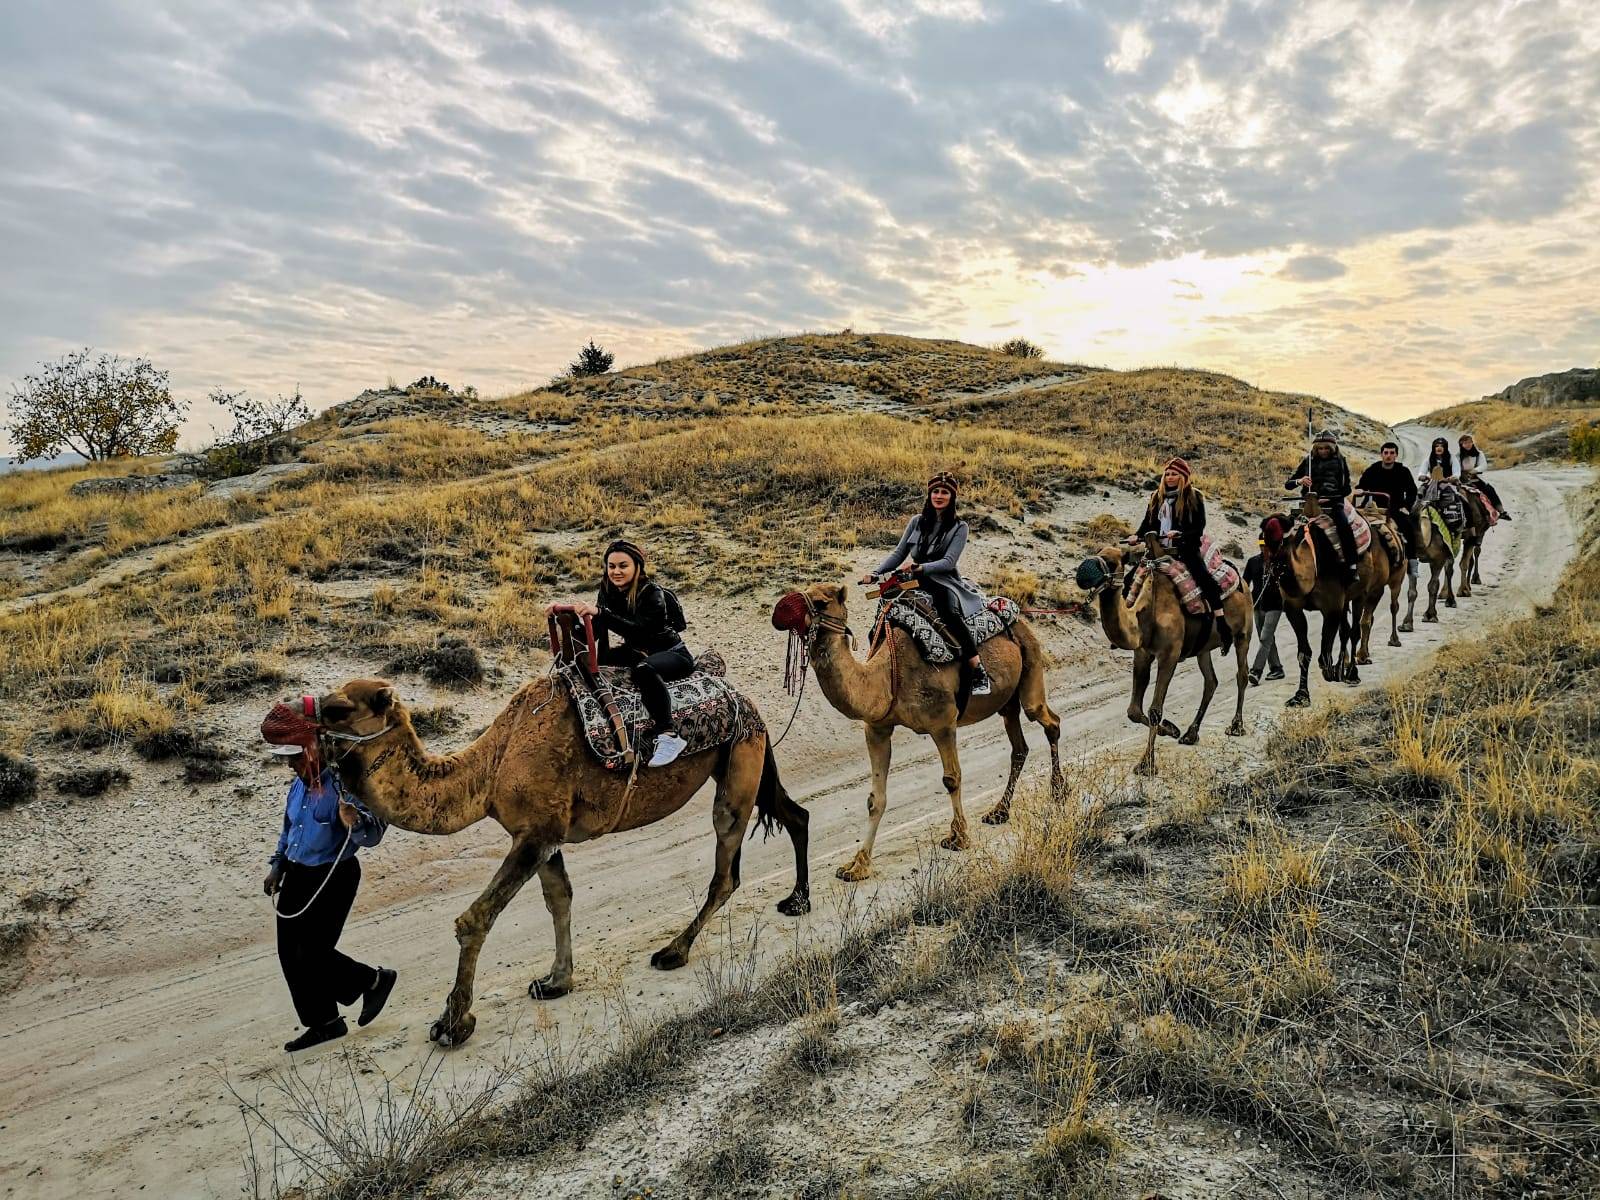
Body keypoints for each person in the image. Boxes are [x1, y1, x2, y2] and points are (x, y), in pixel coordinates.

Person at [264, 742, 395, 1053]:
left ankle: (373, 981)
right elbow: (289, 830)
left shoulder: (345, 786)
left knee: (312, 953)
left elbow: (373, 835)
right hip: (297, 875)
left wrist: (356, 820)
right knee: (289, 953)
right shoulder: (298, 787)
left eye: (295, 758)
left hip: (334, 876)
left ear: (314, 753)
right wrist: (277, 866)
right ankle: (325, 1023)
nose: (290, 766)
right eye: (287, 759)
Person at [556, 539, 696, 767]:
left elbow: (640, 630)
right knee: (593, 666)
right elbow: (599, 631)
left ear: (636, 567)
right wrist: (568, 620)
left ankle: (668, 735)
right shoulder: (608, 591)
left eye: (623, 565)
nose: (616, 571)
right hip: (637, 653)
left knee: (644, 670)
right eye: (611, 566)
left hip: (672, 654)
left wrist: (600, 612)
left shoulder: (653, 593)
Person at [864, 470, 991, 696]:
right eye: (935, 491)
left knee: (948, 612)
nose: (939, 496)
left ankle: (977, 668)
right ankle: (877, 665)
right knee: (885, 608)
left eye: (944, 492)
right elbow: (899, 553)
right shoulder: (916, 522)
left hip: (942, 580)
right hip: (912, 578)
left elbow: (948, 561)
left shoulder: (959, 527)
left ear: (952, 497)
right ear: (929, 494)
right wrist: (876, 574)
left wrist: (920, 568)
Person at [1134, 456, 1232, 651]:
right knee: (1131, 579)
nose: (1170, 477)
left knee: (1204, 579)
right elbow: (1147, 524)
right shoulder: (1156, 497)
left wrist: (1180, 535)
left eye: (1174, 474)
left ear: (1183, 476)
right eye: (1167, 474)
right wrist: (1136, 536)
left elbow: (1198, 527)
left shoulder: (1194, 497)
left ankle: (1221, 623)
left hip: (1185, 549)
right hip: (1158, 549)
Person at [1287, 429, 1358, 584]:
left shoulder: (1340, 461)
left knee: (1344, 527)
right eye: (1320, 448)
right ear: (1315, 449)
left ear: (1332, 448)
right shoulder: (1308, 462)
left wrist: (1330, 498)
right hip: (1309, 505)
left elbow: (1346, 489)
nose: (1323, 451)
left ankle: (1352, 565)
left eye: (1326, 448)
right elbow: (1288, 485)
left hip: (1333, 504)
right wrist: (1299, 481)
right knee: (1286, 529)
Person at [1357, 441, 1420, 568]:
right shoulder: (1373, 469)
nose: (1388, 455)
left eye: (1392, 453)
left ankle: (1412, 563)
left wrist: (1406, 506)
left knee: (1408, 528)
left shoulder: (1403, 471)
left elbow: (1412, 491)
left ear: (1396, 455)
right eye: (1386, 453)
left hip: (1395, 509)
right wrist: (1359, 490)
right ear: (1381, 454)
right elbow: (1361, 486)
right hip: (1372, 508)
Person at [1242, 549, 1284, 685]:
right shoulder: (1253, 561)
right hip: (1257, 605)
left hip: (1274, 605)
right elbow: (1245, 583)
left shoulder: (1279, 562)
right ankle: (1276, 668)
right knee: (1266, 639)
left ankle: (1256, 671)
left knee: (1265, 638)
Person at [1456, 433, 1511, 519]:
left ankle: (1501, 511)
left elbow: (1484, 465)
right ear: (1461, 445)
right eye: (1465, 443)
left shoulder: (1479, 454)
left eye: (1469, 442)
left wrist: (1475, 470)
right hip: (1463, 480)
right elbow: (1455, 467)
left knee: (1490, 490)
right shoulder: (1457, 456)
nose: (1468, 445)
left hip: (1476, 479)